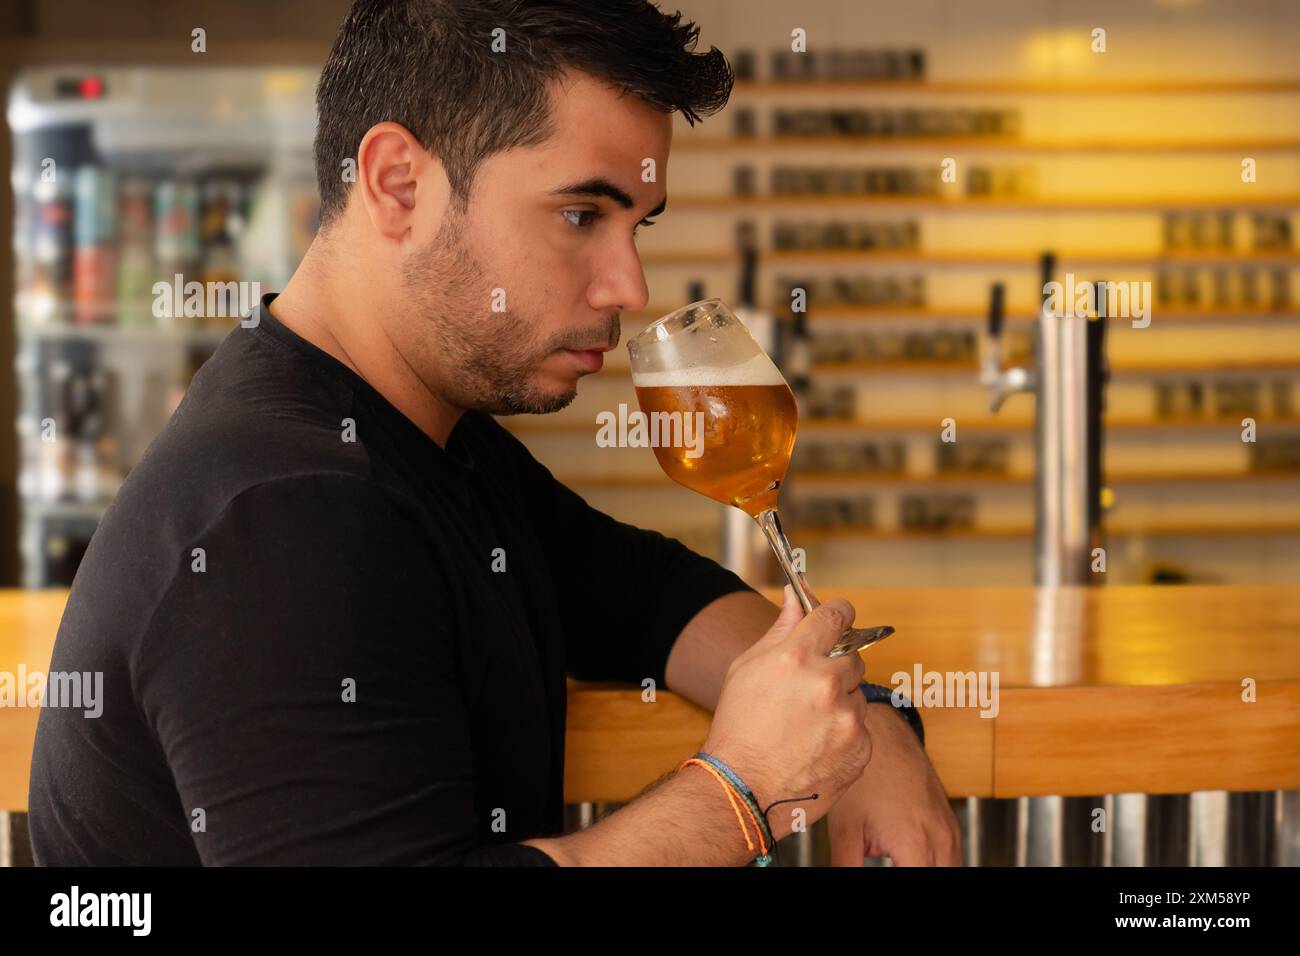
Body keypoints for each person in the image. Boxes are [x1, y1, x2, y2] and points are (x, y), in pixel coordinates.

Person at [29, 0, 960, 866]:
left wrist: (863, 725)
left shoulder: (425, 435)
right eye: (580, 214)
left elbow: (647, 595)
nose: (628, 287)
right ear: (398, 183)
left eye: (635, 224)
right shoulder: (285, 516)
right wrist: (746, 789)